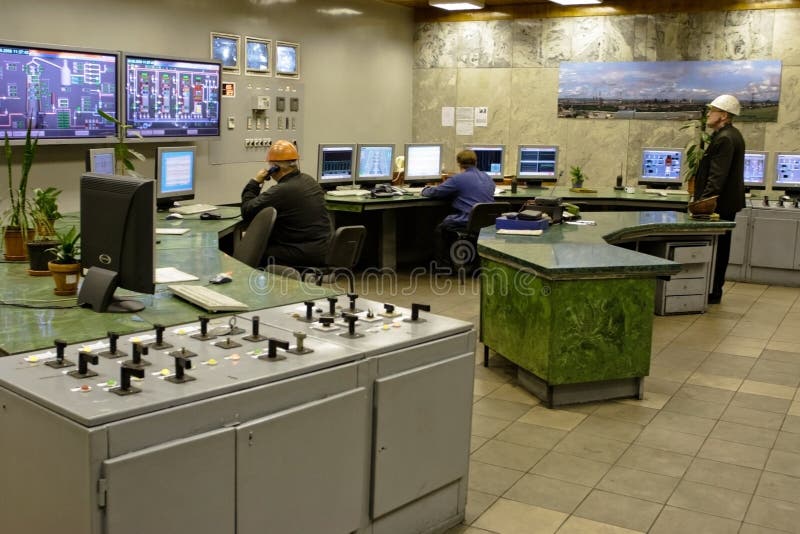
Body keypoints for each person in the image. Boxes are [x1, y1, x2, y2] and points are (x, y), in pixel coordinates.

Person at [241, 140, 332, 267]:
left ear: (275, 168)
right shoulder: (309, 180)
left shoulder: (283, 190)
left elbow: (247, 210)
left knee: (251, 252)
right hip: (322, 249)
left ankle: (257, 286)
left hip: (302, 253)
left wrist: (255, 182)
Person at [694, 94, 746, 304]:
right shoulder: (730, 134)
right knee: (721, 247)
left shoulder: (725, 138)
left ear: (723, 115)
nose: (708, 114)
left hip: (718, 206)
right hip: (723, 204)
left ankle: (713, 290)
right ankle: (714, 289)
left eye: (712, 111)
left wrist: (703, 205)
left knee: (717, 248)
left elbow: (717, 176)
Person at [421, 149, 496, 270]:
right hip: (487, 222)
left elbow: (435, 192)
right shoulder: (488, 178)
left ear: (459, 163)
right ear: (476, 162)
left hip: (467, 220)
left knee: (441, 228)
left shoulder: (458, 179)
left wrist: (425, 189)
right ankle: (470, 263)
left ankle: (443, 266)